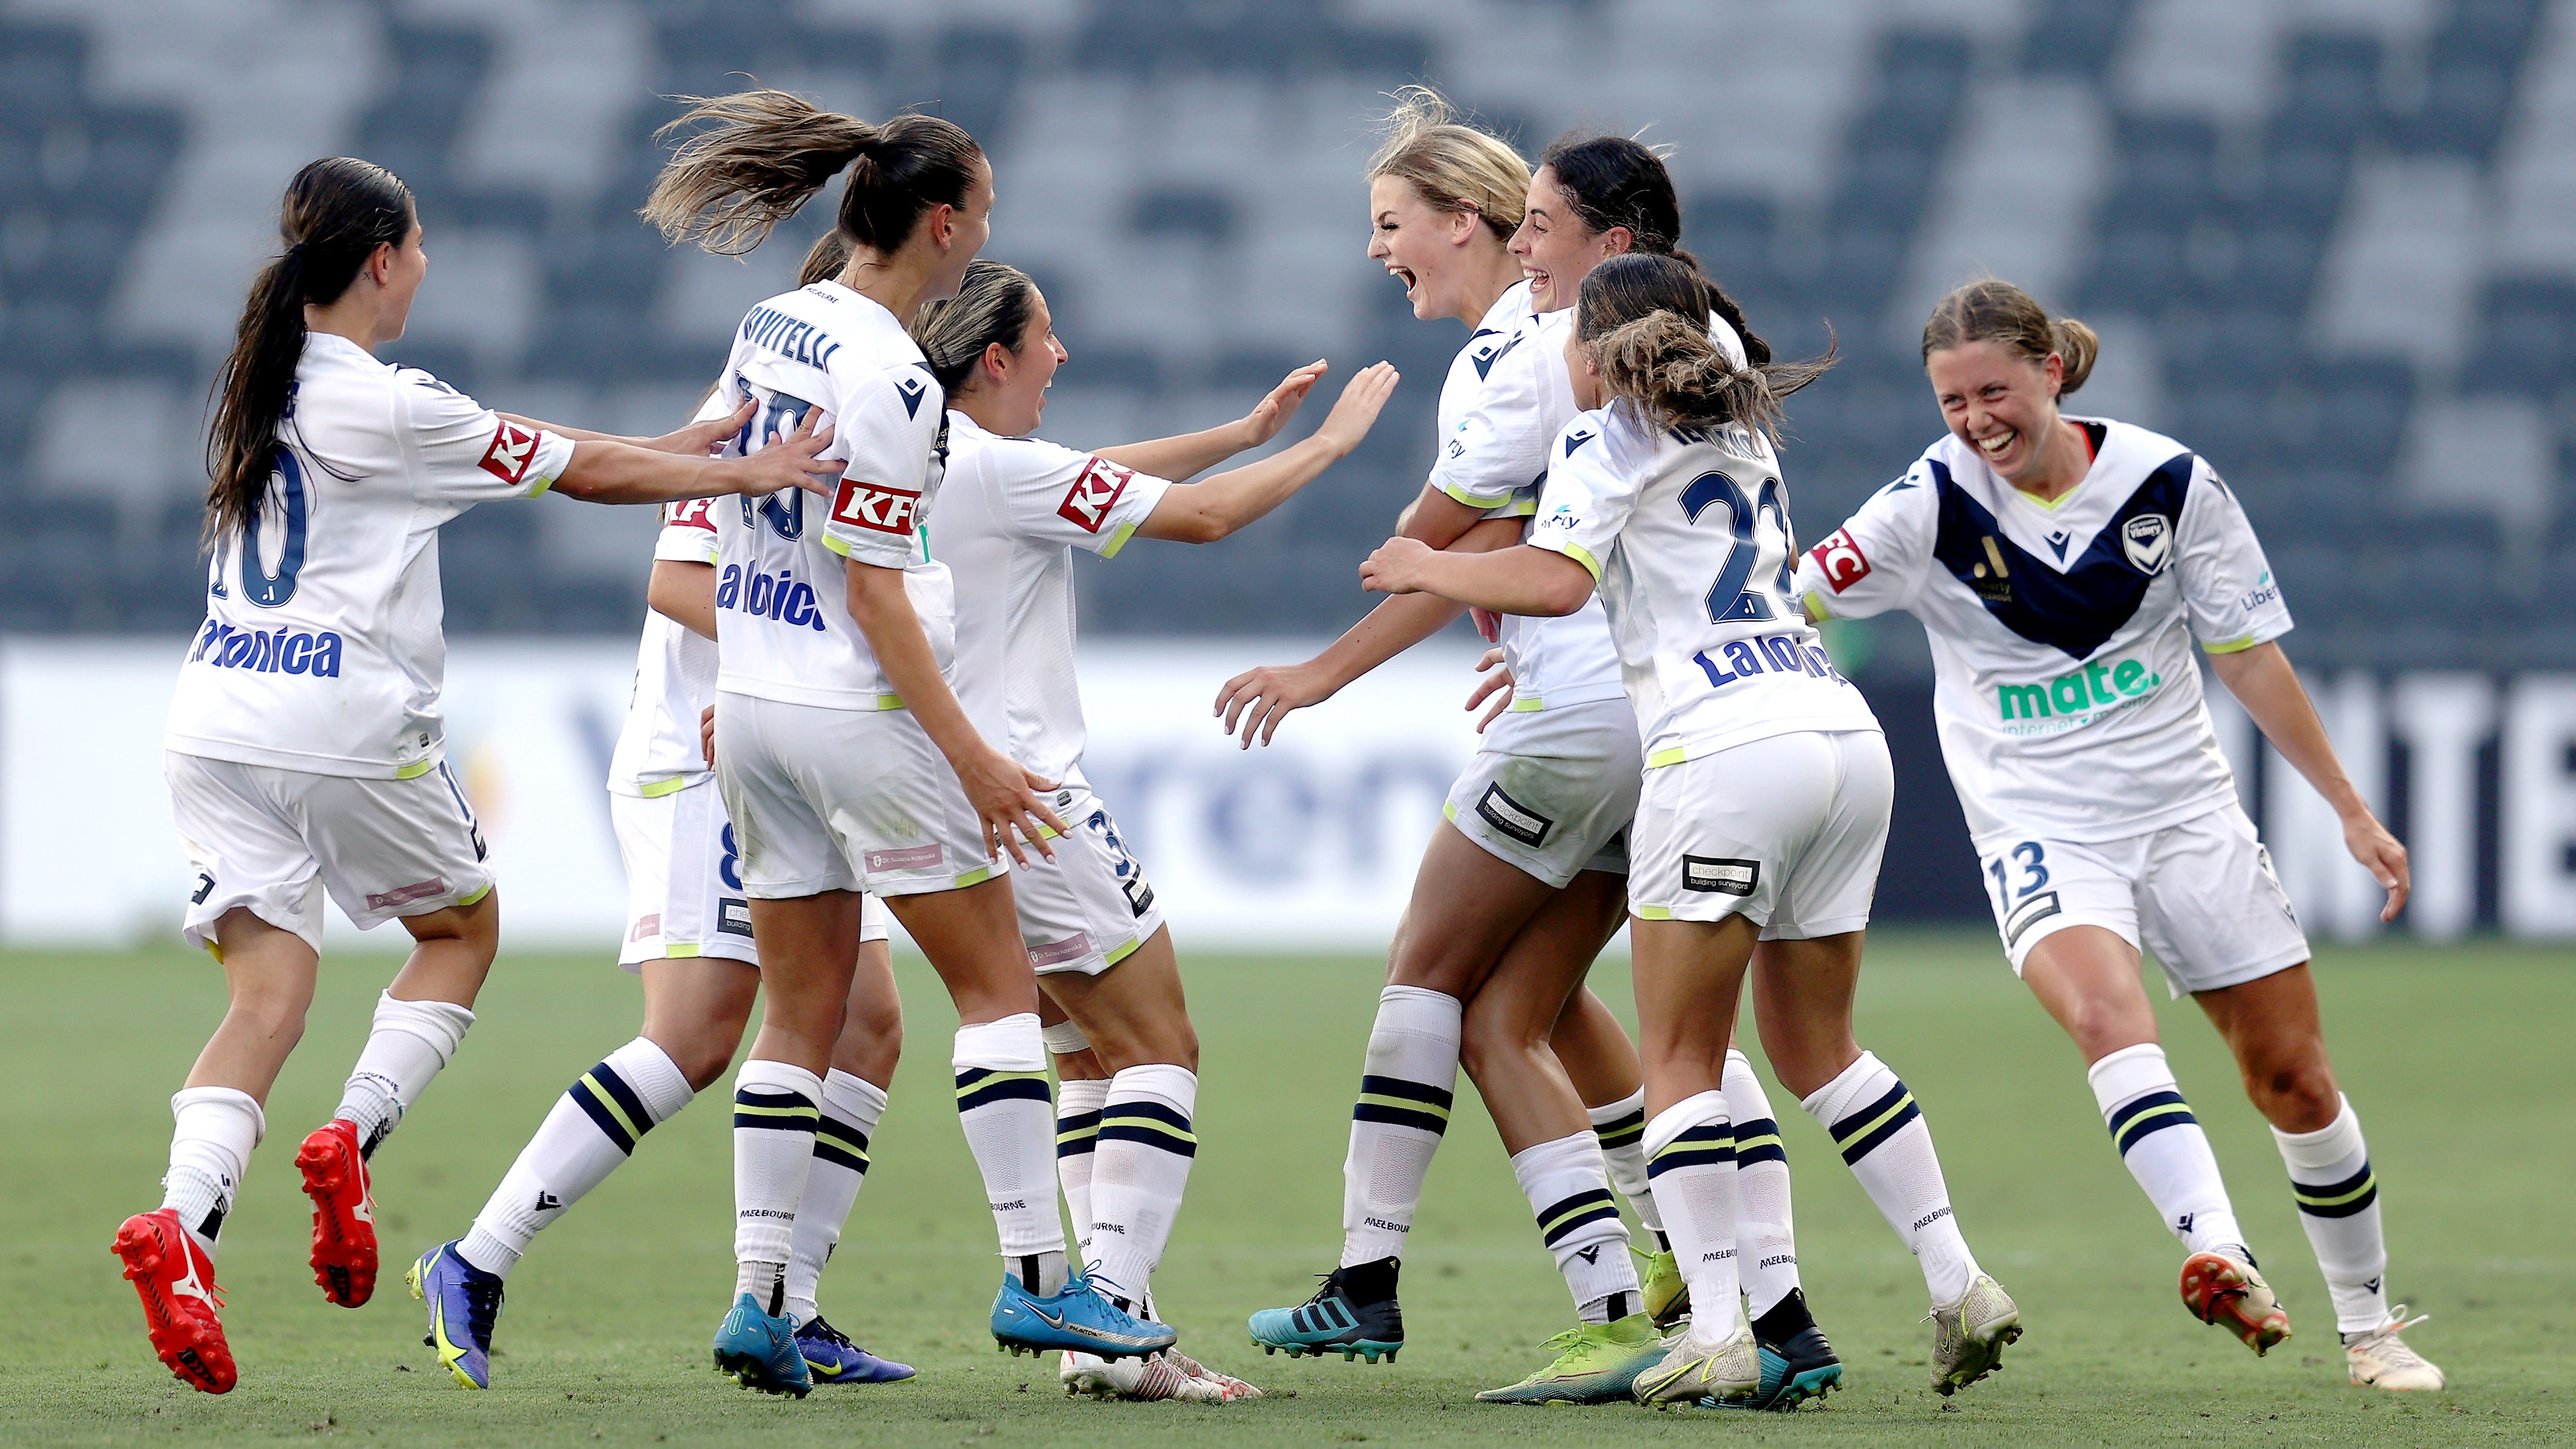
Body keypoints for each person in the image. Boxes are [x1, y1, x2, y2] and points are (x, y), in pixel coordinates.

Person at [115, 156, 842, 1396]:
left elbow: (579, 449)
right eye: (420, 243)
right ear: (382, 260)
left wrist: (682, 442)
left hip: (214, 721)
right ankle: (352, 1134)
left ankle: (185, 1230)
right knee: (460, 930)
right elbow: (580, 472)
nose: (430, 264)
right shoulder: (393, 403)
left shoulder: (258, 383)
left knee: (263, 999)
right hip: (341, 722)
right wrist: (737, 472)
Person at [1230, 110, 1835, 1410]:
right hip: (1676, 710)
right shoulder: (1688, 328)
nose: (1380, 250)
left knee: (1435, 982)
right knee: (1585, 1014)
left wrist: (1320, 672)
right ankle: (1756, 1295)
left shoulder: (1521, 356)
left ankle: (1390, 1281)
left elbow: (1425, 537)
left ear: (1471, 222)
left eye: (1393, 223)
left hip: (1577, 716)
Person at [1359, 252, 2023, 1404]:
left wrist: (1425, 558)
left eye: (1566, 332)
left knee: (1679, 1058)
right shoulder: (1743, 437)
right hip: (1842, 739)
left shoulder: (1601, 436)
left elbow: (1561, 580)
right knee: (1820, 1049)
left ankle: (1715, 1325)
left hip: (1721, 751)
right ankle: (1957, 1275)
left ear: (1602, 351)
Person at [1788, 278, 2440, 1392]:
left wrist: (2349, 807)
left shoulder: (2171, 483)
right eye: (1951, 401)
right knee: (2104, 1013)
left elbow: (2245, 654)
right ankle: (2218, 1249)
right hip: (2040, 827)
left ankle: (2371, 1325)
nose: (1975, 420)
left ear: (2052, 370)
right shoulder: (1925, 504)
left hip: (2186, 815)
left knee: (2294, 1078)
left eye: (1994, 391)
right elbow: (1785, 599)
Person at [639, 90, 1173, 1399]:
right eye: (982, 211)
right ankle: (1046, 1286)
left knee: (803, 1013)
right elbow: (876, 593)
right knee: (998, 995)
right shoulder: (890, 375)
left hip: (752, 711)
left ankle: (762, 1298)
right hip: (855, 718)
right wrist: (975, 760)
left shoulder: (773, 322)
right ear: (943, 226)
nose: (985, 229)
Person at [402, 236, 918, 1392]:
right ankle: (475, 1259)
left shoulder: (869, 406)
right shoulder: (756, 408)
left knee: (868, 1025)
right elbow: (675, 580)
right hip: (709, 759)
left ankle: (793, 1304)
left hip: (788, 751)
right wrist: (800, 666)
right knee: (695, 1035)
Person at [916, 259, 1399, 1402]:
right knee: (1161, 1047)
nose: (1063, 356)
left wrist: (1237, 429)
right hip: (1028, 795)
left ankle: (1098, 1328)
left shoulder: (918, 450)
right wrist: (1326, 447)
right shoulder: (999, 468)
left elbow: (1093, 478)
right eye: (1048, 338)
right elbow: (1205, 522)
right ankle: (1121, 1321)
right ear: (997, 357)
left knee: (1084, 1049)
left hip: (936, 790)